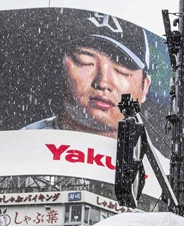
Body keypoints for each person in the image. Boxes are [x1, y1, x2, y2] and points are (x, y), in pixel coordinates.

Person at [23, 12, 152, 138]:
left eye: (121, 70)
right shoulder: (23, 145)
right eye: (85, 61)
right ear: (60, 68)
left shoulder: (158, 160)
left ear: (144, 87)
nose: (103, 82)